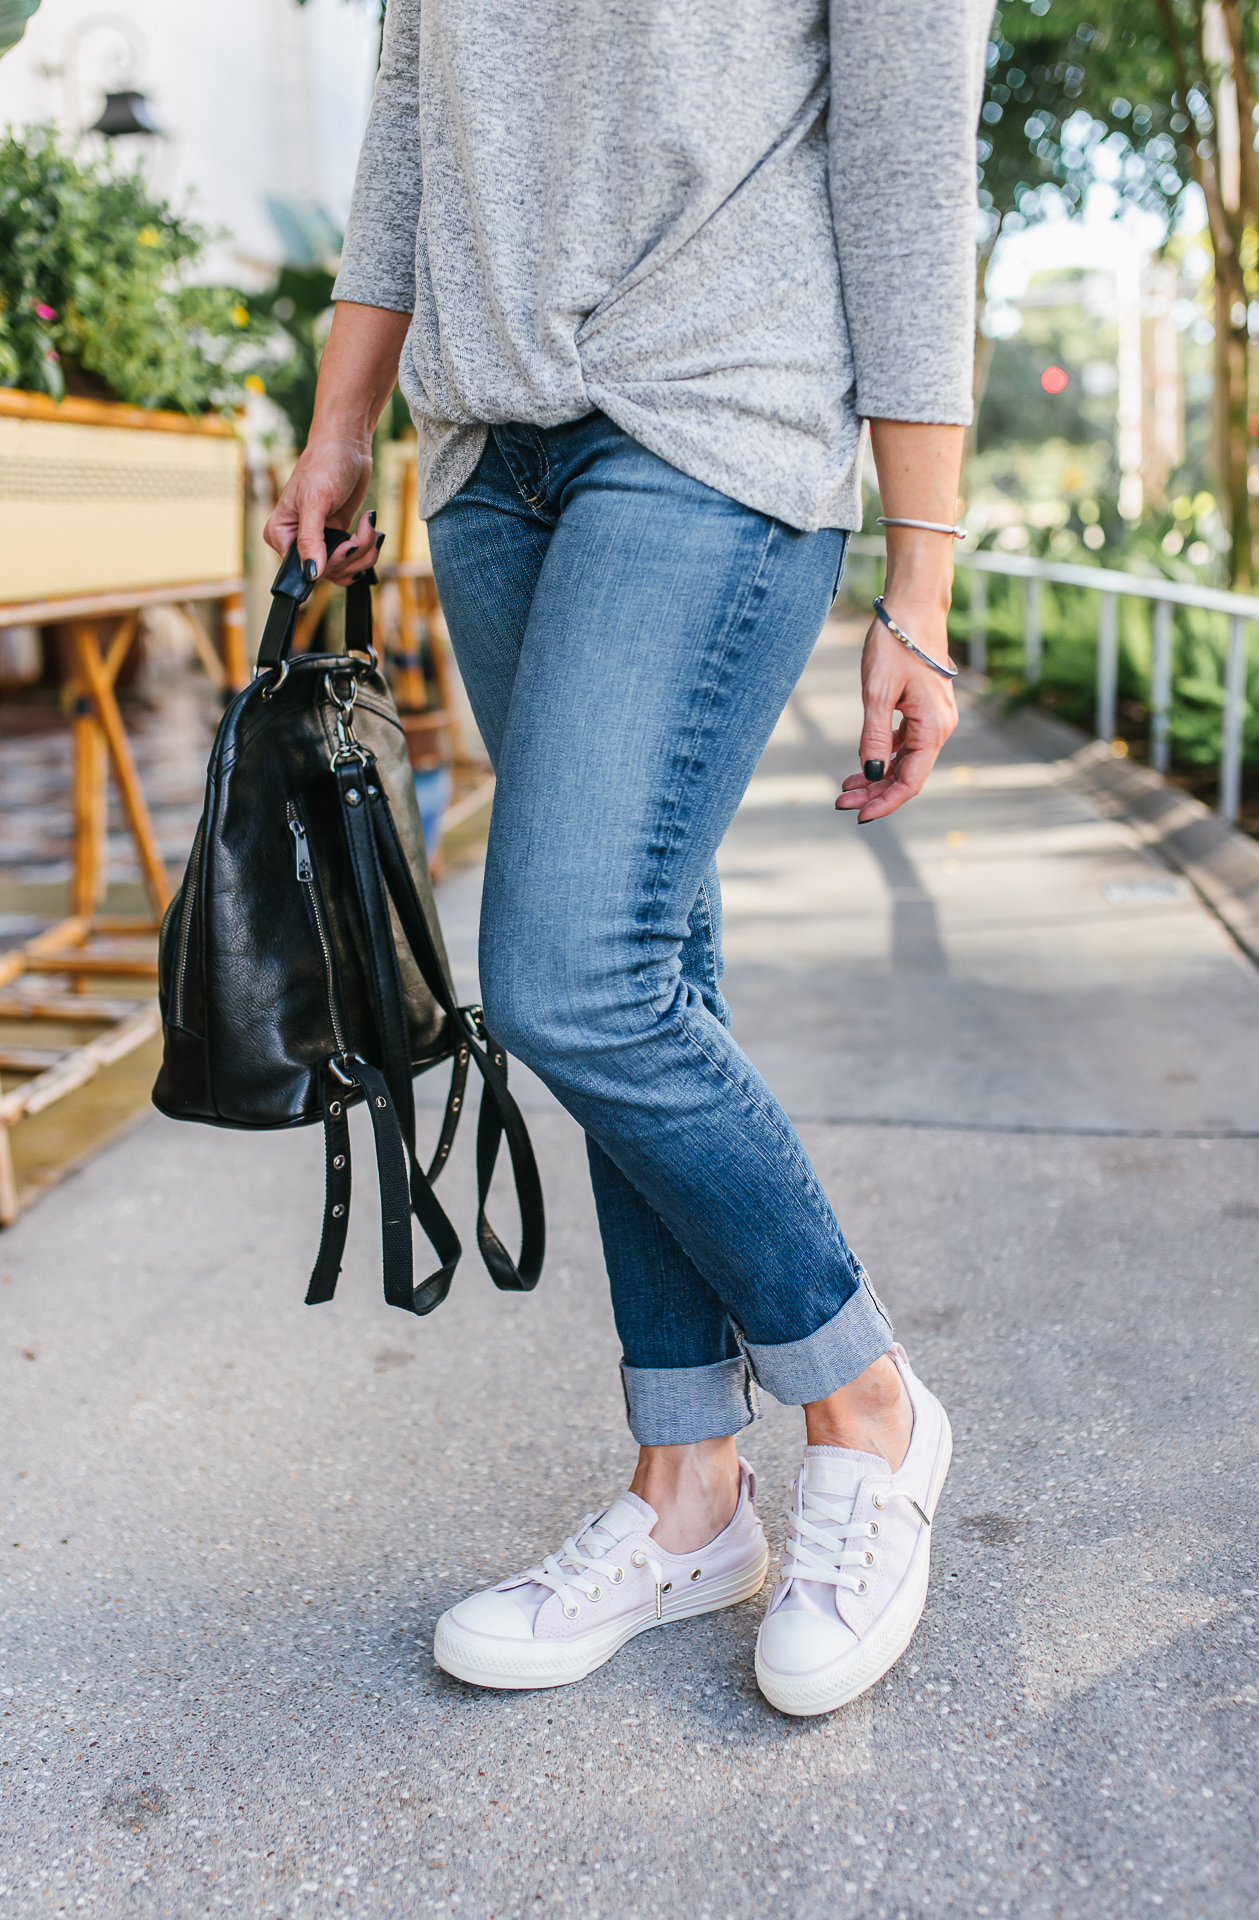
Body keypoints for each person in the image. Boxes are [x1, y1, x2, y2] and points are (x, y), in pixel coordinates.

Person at [266, 0, 989, 1717]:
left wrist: (924, 581)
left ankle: (864, 1399)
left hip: (715, 417)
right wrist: (342, 425)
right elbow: (408, 134)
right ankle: (692, 1493)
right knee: (651, 961)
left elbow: (904, 173)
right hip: (485, 455)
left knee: (572, 977)